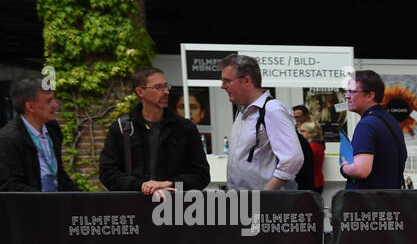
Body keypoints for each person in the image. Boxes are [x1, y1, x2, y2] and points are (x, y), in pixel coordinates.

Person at [99, 66, 211, 193]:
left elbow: (201, 175)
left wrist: (170, 184)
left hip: (174, 207)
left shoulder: (185, 128)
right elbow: (107, 173)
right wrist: (140, 186)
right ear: (140, 92)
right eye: (158, 87)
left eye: (166, 86)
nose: (166, 92)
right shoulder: (122, 128)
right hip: (133, 206)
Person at [219, 53, 303, 190]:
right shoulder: (242, 113)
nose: (222, 86)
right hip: (243, 202)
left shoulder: (272, 109)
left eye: (227, 81)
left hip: (266, 206)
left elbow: (293, 159)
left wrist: (265, 196)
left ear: (246, 80)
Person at [0, 77, 79, 191]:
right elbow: (9, 186)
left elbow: (58, 174)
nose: (55, 105)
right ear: (30, 107)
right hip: (30, 206)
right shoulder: (8, 140)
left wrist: (82, 199)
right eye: (48, 101)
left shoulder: (53, 129)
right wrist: (45, 201)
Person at [340, 70, 406, 189]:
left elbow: (361, 170)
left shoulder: (367, 124)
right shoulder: (390, 120)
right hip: (388, 201)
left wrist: (344, 167)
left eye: (352, 92)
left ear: (370, 95)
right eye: (347, 91)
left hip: (367, 204)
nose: (346, 96)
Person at [300, 120, 326, 194]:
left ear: (310, 133)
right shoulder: (319, 145)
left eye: (303, 131)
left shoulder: (312, 147)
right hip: (317, 181)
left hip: (312, 182)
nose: (301, 134)